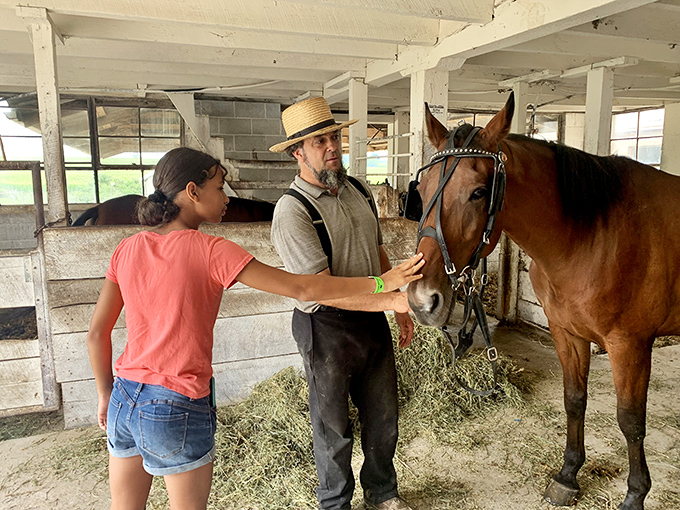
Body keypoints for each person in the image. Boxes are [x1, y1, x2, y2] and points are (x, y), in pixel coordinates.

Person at [86, 146, 424, 510]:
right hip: (176, 402)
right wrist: (382, 286)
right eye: (219, 187)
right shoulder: (211, 250)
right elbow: (304, 287)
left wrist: (105, 394)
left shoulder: (128, 248)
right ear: (192, 191)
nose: (227, 197)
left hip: (124, 399)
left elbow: (96, 334)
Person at [269, 97, 416, 510]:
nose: (332, 147)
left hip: (371, 319)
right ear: (298, 152)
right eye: (319, 141)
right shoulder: (292, 211)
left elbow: (378, 250)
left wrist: (397, 306)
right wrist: (384, 290)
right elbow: (319, 289)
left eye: (334, 136)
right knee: (333, 427)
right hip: (326, 328)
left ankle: (383, 493)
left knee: (384, 418)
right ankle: (335, 504)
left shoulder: (358, 190)